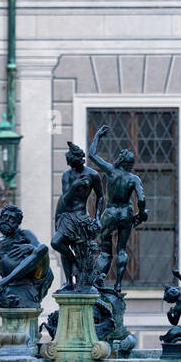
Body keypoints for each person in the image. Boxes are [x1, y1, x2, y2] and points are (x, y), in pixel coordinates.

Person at [88, 125, 148, 291]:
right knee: (122, 249)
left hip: (110, 213)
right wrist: (142, 214)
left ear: (120, 160)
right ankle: (118, 285)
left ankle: (98, 279)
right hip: (126, 214)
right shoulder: (134, 178)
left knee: (105, 251)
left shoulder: (111, 171)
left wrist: (97, 137)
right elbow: (141, 199)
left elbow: (92, 155)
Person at [0, 204, 52, 309]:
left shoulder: (25, 233)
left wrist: (30, 247)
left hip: (36, 275)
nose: (7, 220)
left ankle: (5, 282)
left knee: (43, 248)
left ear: (18, 223)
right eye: (4, 217)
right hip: (11, 282)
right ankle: (5, 300)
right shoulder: (0, 240)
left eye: (11, 218)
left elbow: (40, 250)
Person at [52, 141, 103, 292]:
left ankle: (76, 280)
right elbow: (66, 199)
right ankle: (70, 277)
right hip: (67, 216)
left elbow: (100, 197)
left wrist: (98, 218)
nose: (68, 162)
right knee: (57, 243)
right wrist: (74, 186)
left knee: (84, 252)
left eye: (69, 159)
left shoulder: (93, 175)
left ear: (77, 159)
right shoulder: (67, 175)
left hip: (82, 217)